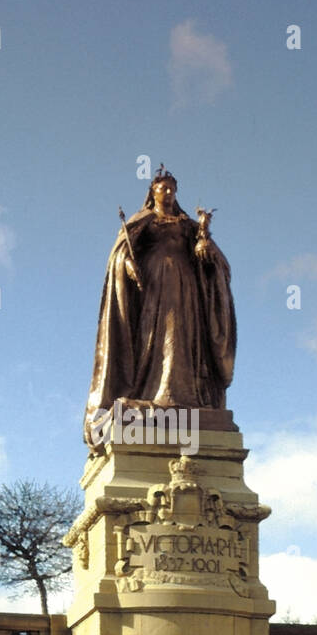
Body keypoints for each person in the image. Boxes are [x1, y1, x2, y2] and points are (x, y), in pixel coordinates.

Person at [83, 165, 236, 448]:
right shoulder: (144, 221)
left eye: (172, 188)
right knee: (153, 339)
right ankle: (149, 392)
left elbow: (215, 261)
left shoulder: (187, 225)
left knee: (182, 335)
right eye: (162, 188)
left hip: (186, 286)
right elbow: (121, 253)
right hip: (153, 285)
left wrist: (206, 250)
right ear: (152, 192)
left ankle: (183, 397)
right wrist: (126, 264)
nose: (167, 192)